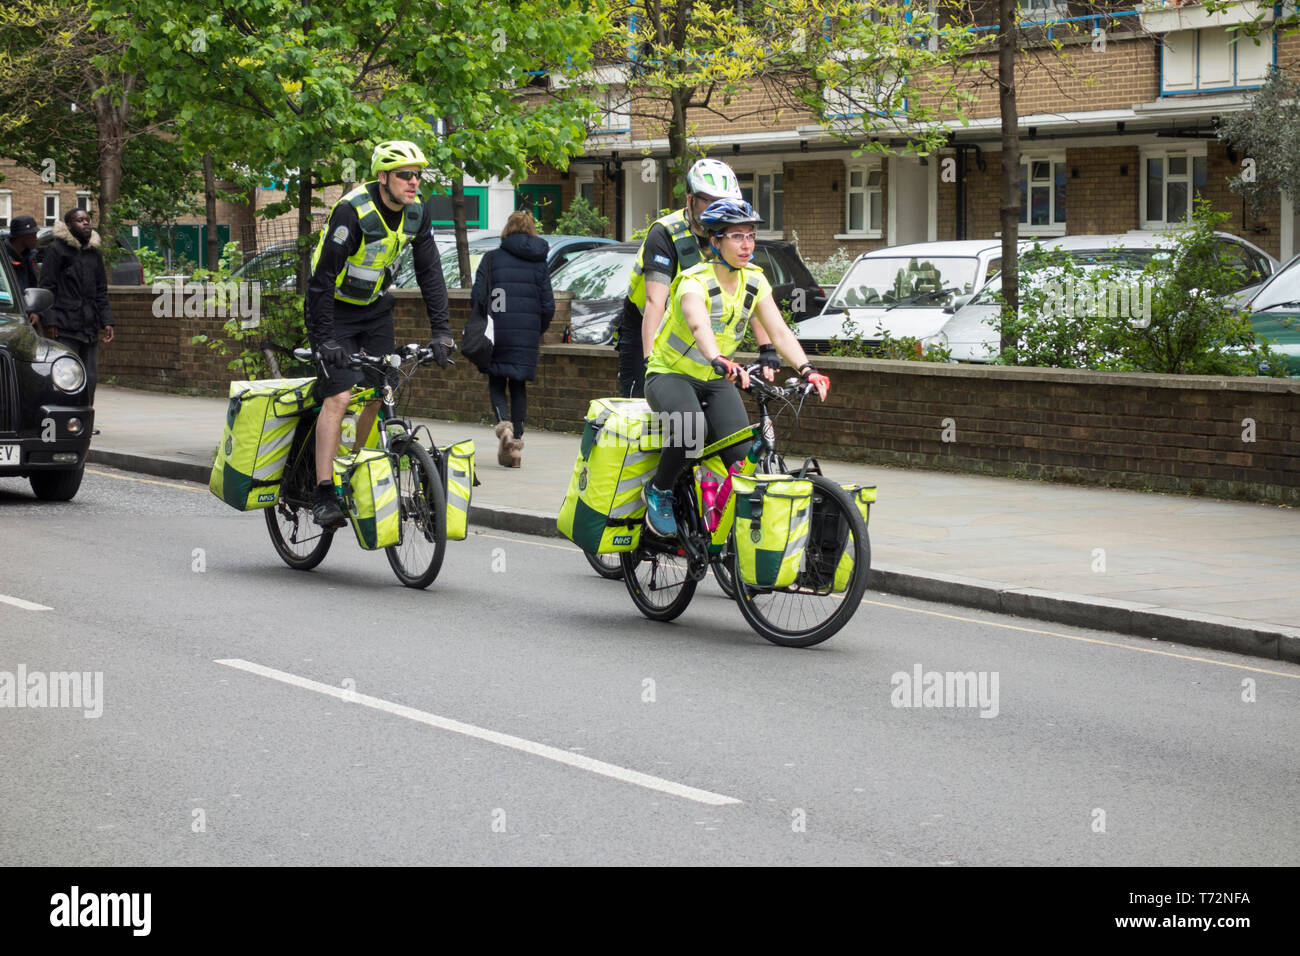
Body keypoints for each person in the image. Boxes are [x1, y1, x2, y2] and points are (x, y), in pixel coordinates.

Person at [641, 199, 830, 538]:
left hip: (715, 379)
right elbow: (700, 327)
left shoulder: (755, 281)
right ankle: (660, 490)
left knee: (741, 455)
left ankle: (729, 532)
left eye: (751, 236)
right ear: (715, 240)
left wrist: (806, 369)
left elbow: (780, 331)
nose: (747, 245)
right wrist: (719, 358)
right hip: (670, 373)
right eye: (736, 236)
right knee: (690, 429)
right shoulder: (692, 280)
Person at [307, 139, 454, 527]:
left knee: (379, 390)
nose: (414, 182)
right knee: (339, 395)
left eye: (418, 175)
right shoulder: (351, 212)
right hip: (334, 309)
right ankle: (324, 491)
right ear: (383, 177)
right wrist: (325, 342)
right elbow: (320, 281)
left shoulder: (417, 213)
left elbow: (431, 274)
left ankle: (356, 470)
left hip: (374, 309)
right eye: (405, 175)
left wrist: (442, 333)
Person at [615, 158, 774, 398]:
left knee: (705, 415)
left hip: (695, 331)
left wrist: (766, 347)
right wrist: (650, 361)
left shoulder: (731, 237)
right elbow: (654, 301)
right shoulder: (666, 233)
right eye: (708, 200)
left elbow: (750, 289)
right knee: (646, 408)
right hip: (645, 327)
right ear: (691, 199)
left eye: (723, 202)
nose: (716, 208)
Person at [471, 209, 554, 468]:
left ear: (507, 230)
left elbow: (478, 296)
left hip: (498, 329)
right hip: (527, 331)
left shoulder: (492, 259)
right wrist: (536, 329)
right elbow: (548, 305)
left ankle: (503, 427)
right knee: (518, 386)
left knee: (496, 378)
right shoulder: (539, 264)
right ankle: (515, 447)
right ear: (531, 230)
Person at [39, 209, 115, 404]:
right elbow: (47, 287)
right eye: (79, 220)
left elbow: (101, 290)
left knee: (91, 377)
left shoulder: (93, 253)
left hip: (89, 327)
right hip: (64, 326)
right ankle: (67, 417)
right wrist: (49, 321)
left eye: (87, 220)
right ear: (69, 225)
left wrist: (107, 321)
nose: (85, 223)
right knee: (67, 375)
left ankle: (86, 416)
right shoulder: (56, 250)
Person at [5, 215, 42, 331]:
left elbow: (34, 286)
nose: (36, 238)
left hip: (28, 320)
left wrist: (36, 312)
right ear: (23, 237)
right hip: (8, 321)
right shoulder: (4, 258)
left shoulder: (30, 256)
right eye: (33, 235)